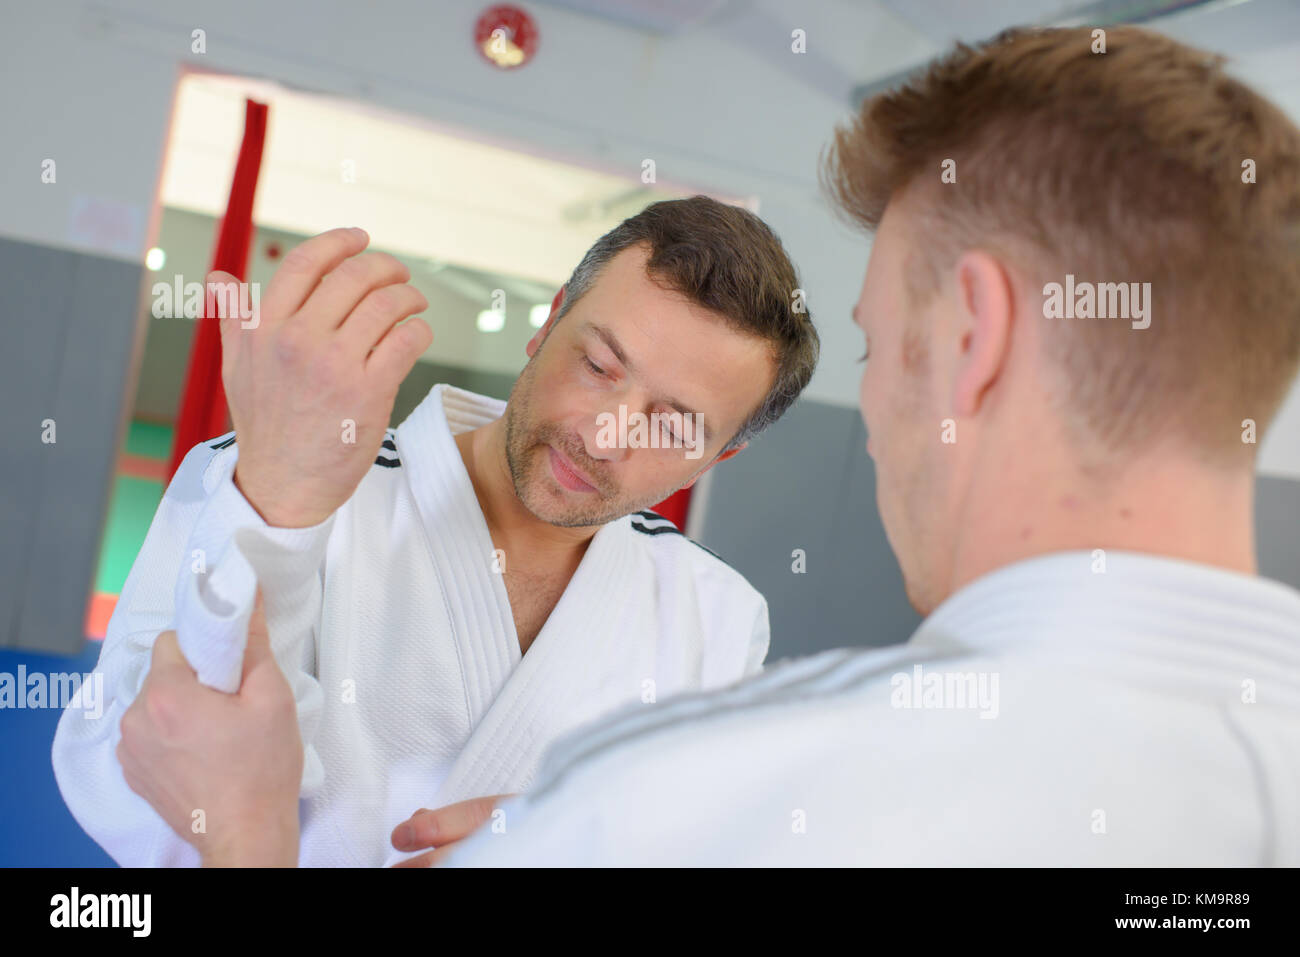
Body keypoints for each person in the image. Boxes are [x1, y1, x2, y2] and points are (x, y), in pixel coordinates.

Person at [114, 24, 1300, 867]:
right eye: (598, 362)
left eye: (885, 348)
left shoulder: (737, 785)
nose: (608, 430)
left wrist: (255, 842)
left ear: (976, 335)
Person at [53, 196, 820, 866]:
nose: (608, 435)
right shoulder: (269, 479)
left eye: (674, 423)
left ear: (717, 456)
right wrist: (279, 509)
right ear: (548, 322)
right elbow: (119, 769)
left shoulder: (717, 612)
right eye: (596, 365)